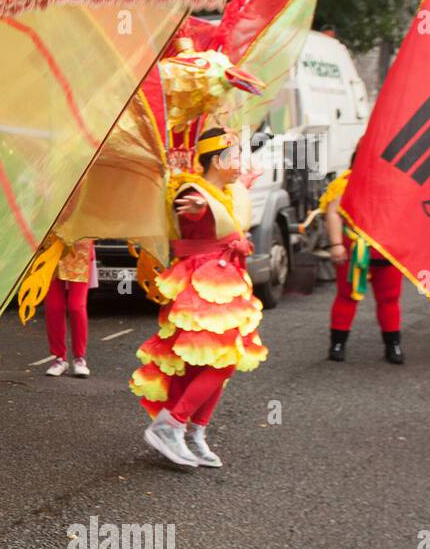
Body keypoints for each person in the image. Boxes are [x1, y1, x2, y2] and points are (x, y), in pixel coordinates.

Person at [129, 128, 268, 468]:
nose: (240, 162)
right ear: (217, 160)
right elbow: (191, 208)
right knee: (222, 358)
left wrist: (242, 185)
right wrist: (196, 208)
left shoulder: (221, 192)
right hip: (202, 282)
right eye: (234, 156)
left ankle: (194, 432)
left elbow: (226, 211)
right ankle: (172, 424)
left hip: (225, 280)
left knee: (210, 361)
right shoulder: (193, 193)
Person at [321, 169, 404, 364]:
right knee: (346, 297)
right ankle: (337, 344)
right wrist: (336, 244)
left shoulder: (400, 181)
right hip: (354, 249)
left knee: (389, 299)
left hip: (389, 250)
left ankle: (393, 345)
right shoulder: (346, 182)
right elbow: (334, 212)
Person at [43, 237, 95, 377]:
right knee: (54, 307)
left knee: (76, 307)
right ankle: (59, 359)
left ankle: (79, 358)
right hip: (51, 246)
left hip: (79, 248)